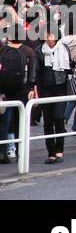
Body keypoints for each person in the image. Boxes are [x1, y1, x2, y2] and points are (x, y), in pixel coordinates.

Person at [0, 9, 37, 163]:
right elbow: (33, 73)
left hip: (5, 92)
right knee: (21, 122)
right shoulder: (29, 51)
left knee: (4, 122)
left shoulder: (2, 51)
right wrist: (31, 88)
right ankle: (21, 151)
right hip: (23, 92)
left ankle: (3, 153)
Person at [33, 28, 72, 163]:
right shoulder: (39, 51)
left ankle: (59, 150)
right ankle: (51, 152)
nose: (50, 39)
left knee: (59, 117)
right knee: (48, 121)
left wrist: (75, 62)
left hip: (61, 88)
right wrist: (34, 87)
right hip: (45, 89)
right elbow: (35, 71)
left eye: (53, 35)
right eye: (48, 35)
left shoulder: (64, 48)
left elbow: (69, 68)